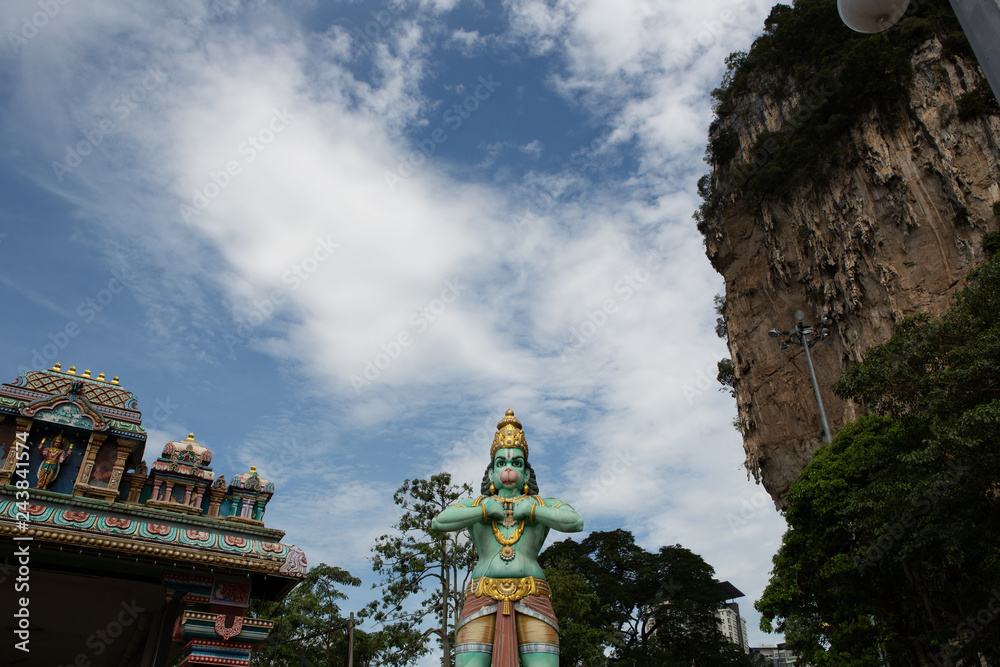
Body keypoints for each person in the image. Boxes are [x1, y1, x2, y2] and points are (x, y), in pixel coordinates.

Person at [432, 410, 583, 666]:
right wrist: (483, 510)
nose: (509, 469)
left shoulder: (541, 505)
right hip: (481, 594)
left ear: (526, 474)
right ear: (491, 474)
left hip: (533, 593)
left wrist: (532, 509)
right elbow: (439, 522)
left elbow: (575, 522)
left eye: (516, 464)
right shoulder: (477, 505)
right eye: (501, 463)